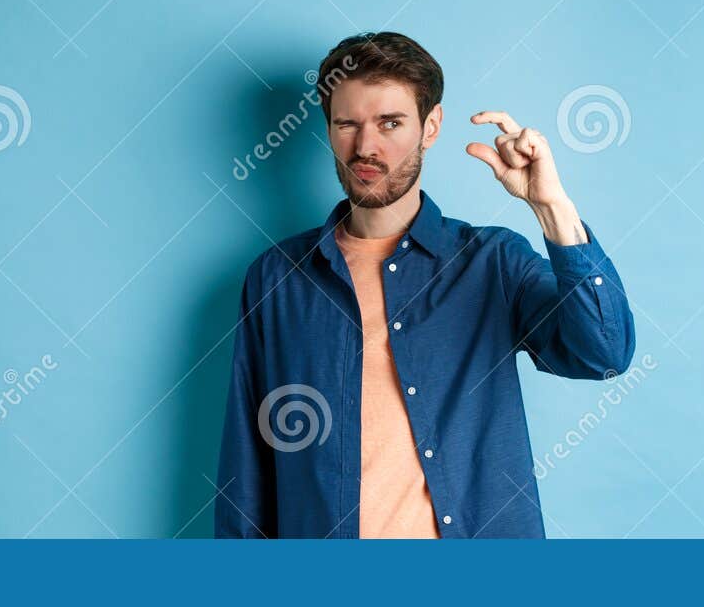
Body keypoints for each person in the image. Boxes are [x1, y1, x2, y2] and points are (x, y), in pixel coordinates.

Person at [216, 31, 635, 538]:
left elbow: (603, 354)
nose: (366, 147)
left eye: (391, 123)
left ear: (430, 125)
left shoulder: (493, 262)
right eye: (347, 123)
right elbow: (247, 468)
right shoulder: (277, 277)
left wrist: (551, 208)